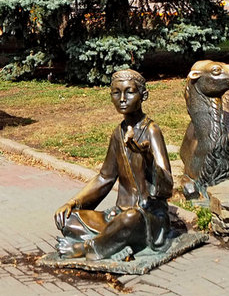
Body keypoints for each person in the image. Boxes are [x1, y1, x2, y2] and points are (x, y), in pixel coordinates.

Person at [53, 69, 173, 261]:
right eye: (116, 93)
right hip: (116, 216)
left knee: (130, 219)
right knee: (67, 219)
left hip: (146, 217)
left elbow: (167, 186)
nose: (122, 98)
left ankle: (87, 247)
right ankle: (114, 242)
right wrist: (73, 202)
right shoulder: (118, 133)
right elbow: (105, 177)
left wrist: (147, 156)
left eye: (130, 92)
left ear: (143, 96)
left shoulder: (152, 131)